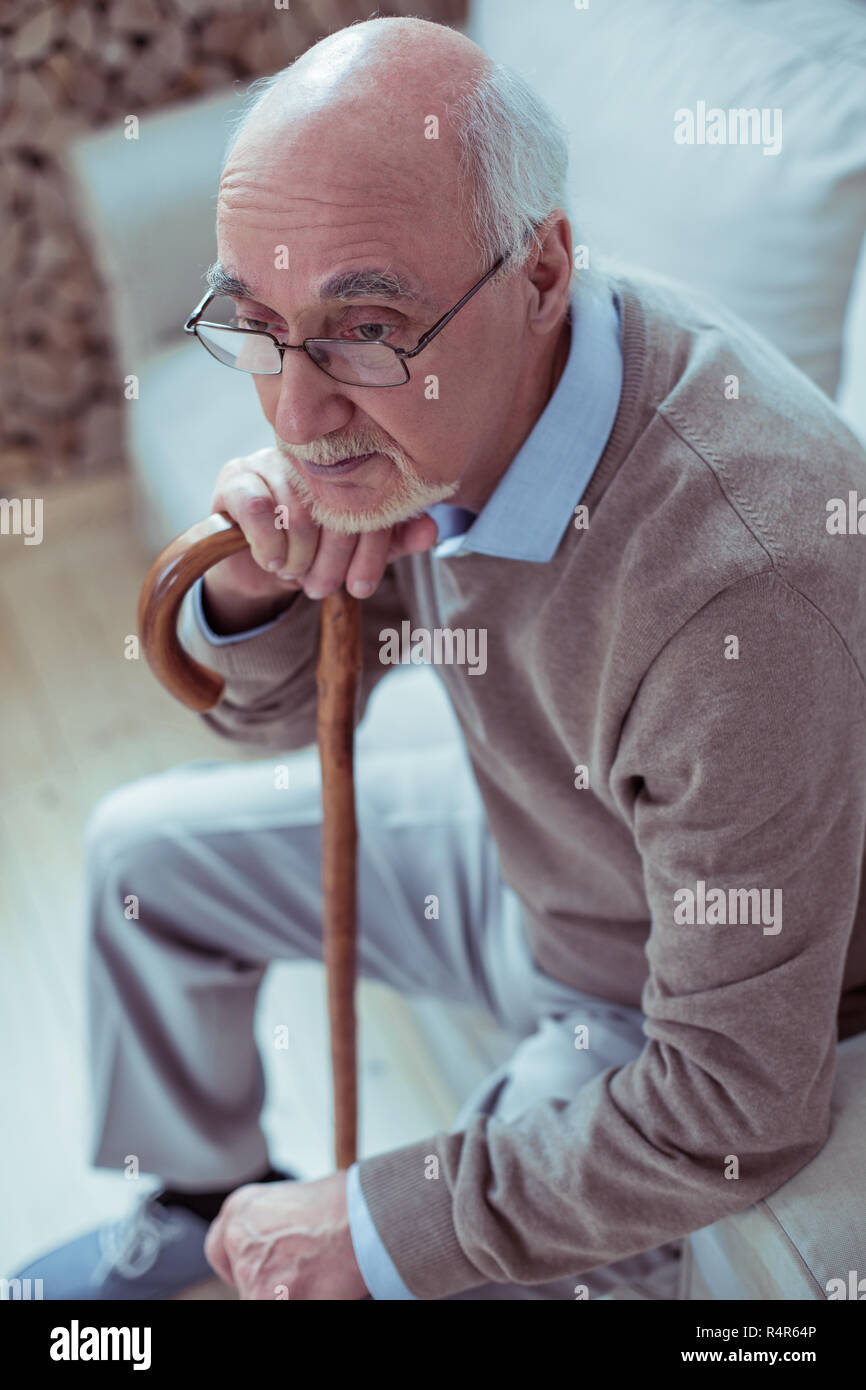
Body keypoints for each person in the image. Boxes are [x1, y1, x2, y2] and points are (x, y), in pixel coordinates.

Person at [16, 14, 866, 1300]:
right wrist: (257, 584)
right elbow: (280, 716)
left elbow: (734, 1105)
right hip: (539, 857)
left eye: (362, 329)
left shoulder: (743, 588)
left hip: (648, 985)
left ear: (541, 273)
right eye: (256, 324)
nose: (295, 417)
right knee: (145, 859)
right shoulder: (467, 389)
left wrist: (361, 1228)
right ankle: (190, 1211)